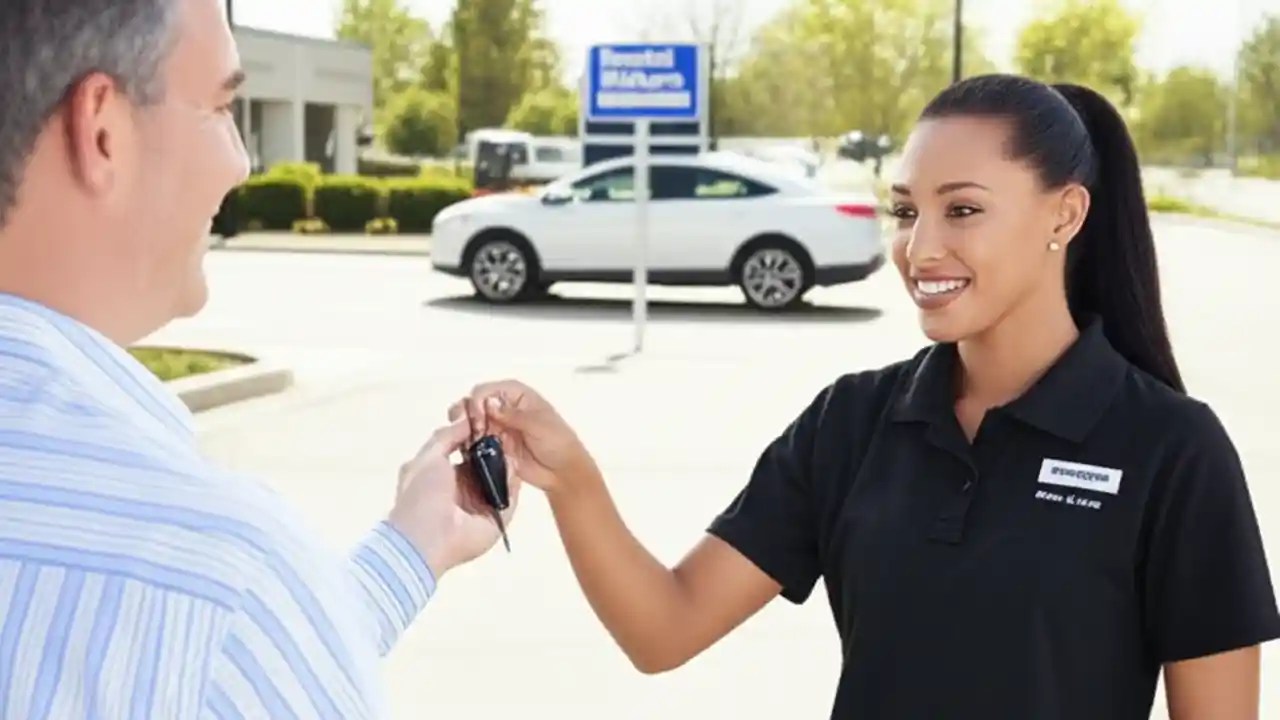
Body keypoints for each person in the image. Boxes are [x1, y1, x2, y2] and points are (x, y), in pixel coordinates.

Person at [455, 74, 1280, 719]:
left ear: (1064, 214)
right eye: (905, 210)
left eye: (962, 210)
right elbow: (663, 629)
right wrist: (571, 477)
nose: (921, 248)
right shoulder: (852, 423)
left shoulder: (1172, 450)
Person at [0, 0, 516, 716]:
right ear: (103, 131)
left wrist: (409, 549)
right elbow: (220, 648)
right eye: (220, 108)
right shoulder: (219, 578)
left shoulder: (220, 600)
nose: (240, 164)